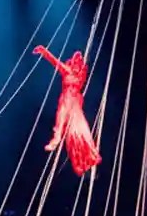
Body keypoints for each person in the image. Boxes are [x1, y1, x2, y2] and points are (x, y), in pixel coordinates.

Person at [33, 45, 102, 174]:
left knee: (79, 130)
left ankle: (88, 154)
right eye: (75, 62)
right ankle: (56, 139)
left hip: (75, 103)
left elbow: (84, 72)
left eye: (79, 63)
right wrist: (43, 51)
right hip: (66, 99)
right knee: (61, 121)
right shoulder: (67, 71)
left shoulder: (81, 77)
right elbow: (55, 61)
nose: (76, 65)